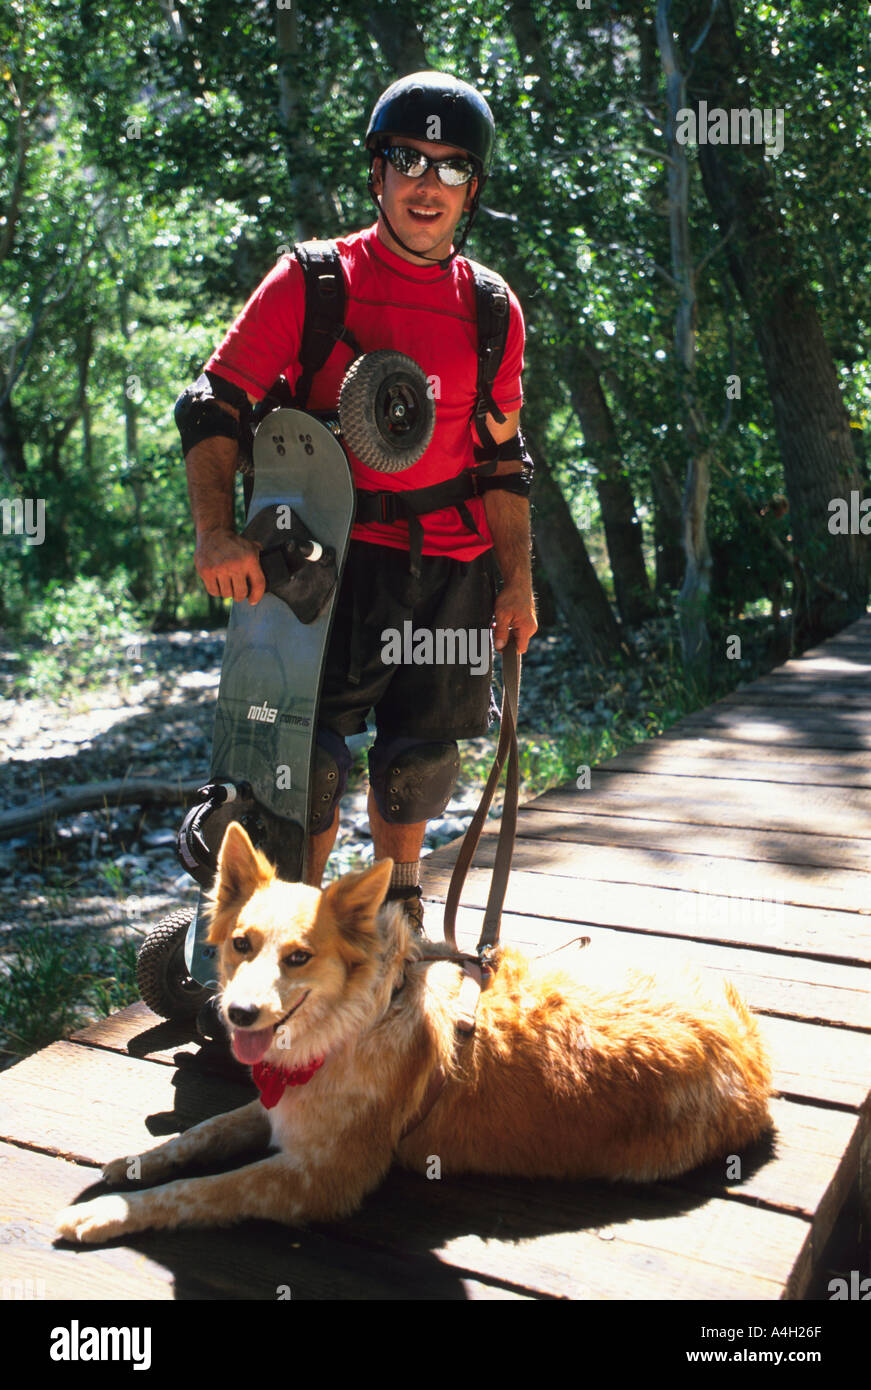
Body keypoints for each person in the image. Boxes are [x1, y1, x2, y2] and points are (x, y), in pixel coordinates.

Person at [176, 71, 537, 930]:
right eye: (409, 159)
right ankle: (292, 932)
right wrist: (216, 533)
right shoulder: (311, 281)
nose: (428, 183)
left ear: (472, 189)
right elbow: (214, 400)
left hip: (452, 570)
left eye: (452, 168)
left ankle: (395, 920)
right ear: (377, 171)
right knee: (312, 764)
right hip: (326, 568)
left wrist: (516, 582)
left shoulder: (491, 308)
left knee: (421, 759)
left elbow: (501, 457)